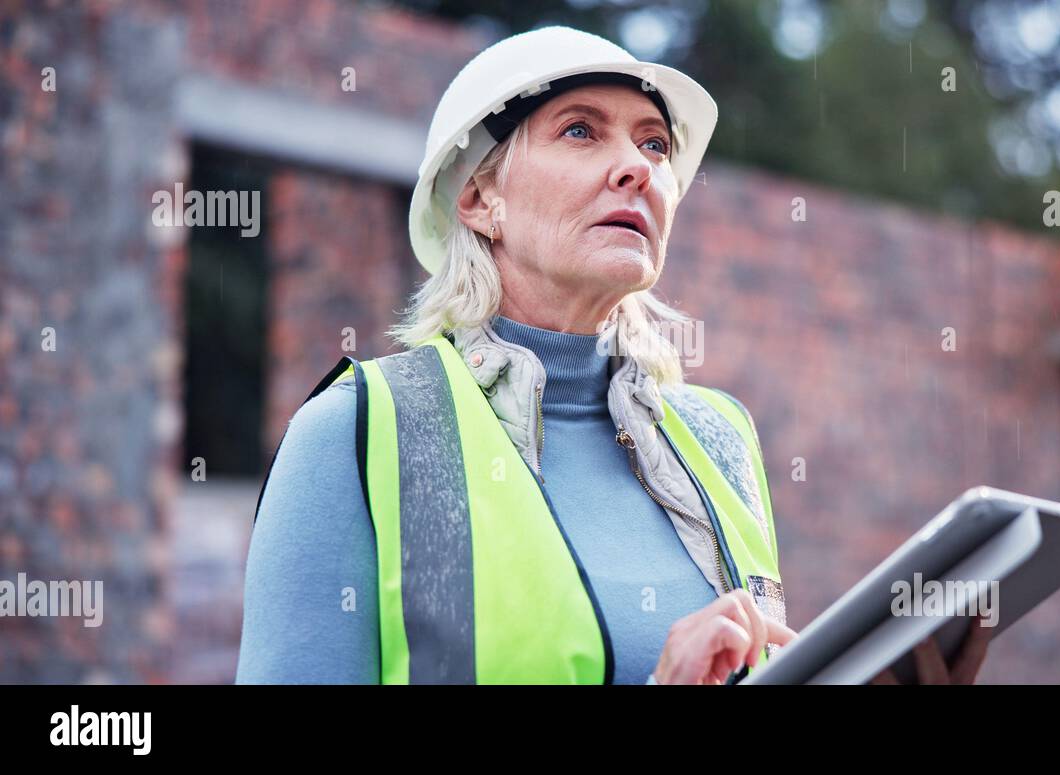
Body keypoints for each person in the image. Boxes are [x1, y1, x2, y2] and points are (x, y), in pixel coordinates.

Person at [236, 25, 989, 685]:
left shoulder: (720, 438)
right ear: (479, 199)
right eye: (580, 130)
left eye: (653, 143)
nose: (637, 167)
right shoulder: (360, 432)